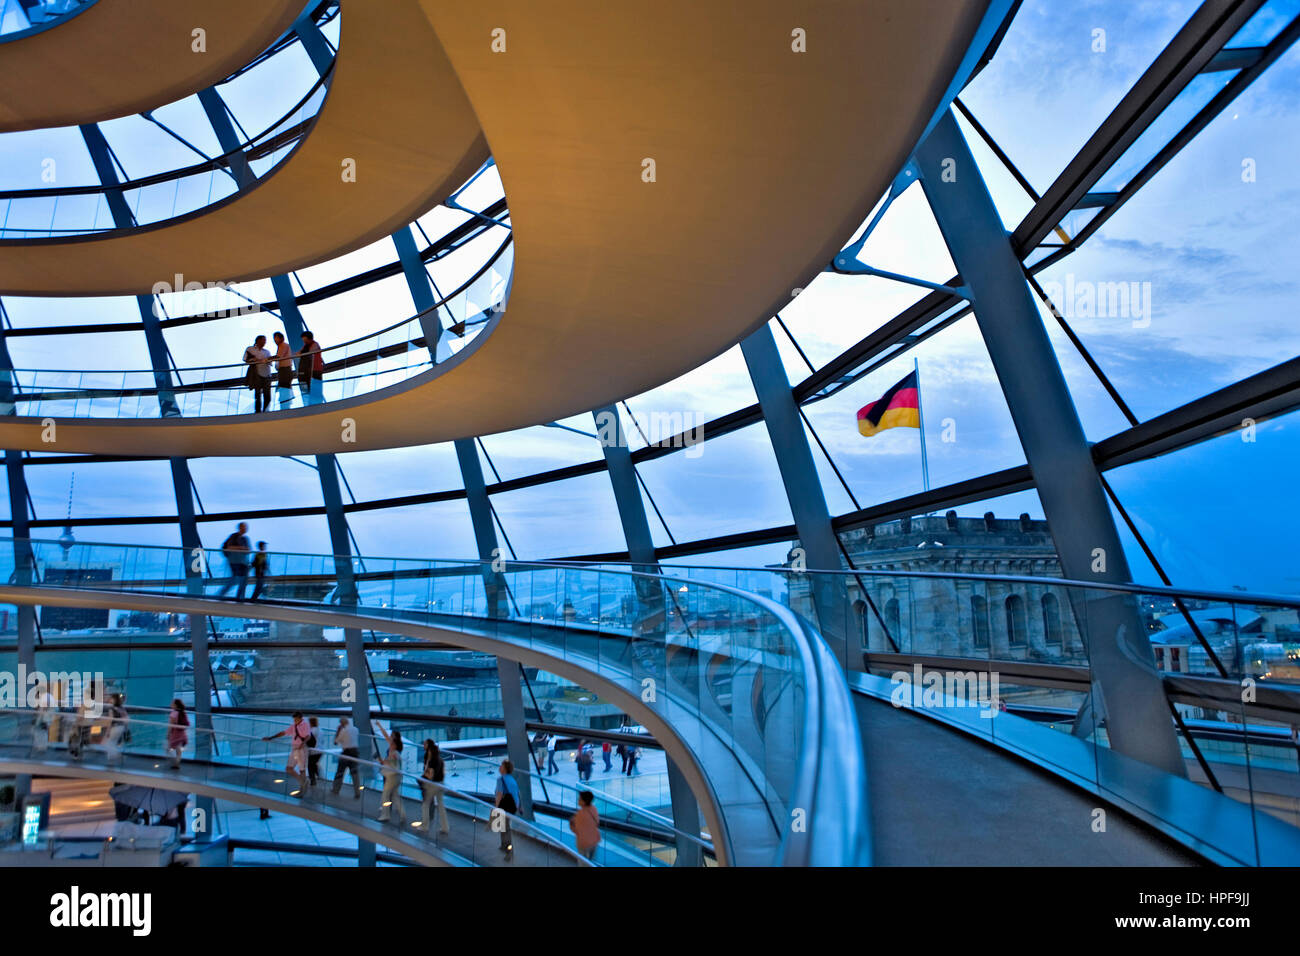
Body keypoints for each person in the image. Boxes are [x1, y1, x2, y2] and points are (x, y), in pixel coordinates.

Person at [263, 711, 312, 793]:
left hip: (301, 749)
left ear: (300, 718)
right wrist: (271, 738)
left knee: (302, 769)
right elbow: (283, 733)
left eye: (296, 719)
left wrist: (302, 744)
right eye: (294, 719)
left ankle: (302, 788)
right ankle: (303, 782)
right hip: (295, 748)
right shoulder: (294, 726)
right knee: (289, 769)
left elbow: (308, 736)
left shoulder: (305, 725)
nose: (294, 721)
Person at [375, 721, 406, 824]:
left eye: (392, 736)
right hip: (396, 777)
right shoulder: (395, 749)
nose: (390, 737)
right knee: (395, 796)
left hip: (392, 777)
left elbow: (390, 763)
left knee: (385, 795)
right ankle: (402, 815)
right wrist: (379, 726)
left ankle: (385, 815)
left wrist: (382, 761)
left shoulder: (394, 752)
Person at [420, 739, 449, 835]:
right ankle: (445, 827)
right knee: (441, 805)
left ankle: (425, 826)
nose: (423, 745)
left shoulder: (432, 760)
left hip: (433, 785)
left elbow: (430, 775)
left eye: (425, 744)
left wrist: (424, 776)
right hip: (440, 783)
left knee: (425, 804)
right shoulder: (438, 759)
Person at [217, 522, 252, 599]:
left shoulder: (245, 539)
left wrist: (244, 549)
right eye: (244, 527)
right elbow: (229, 547)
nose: (246, 528)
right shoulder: (234, 536)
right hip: (234, 561)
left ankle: (240, 598)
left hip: (243, 562)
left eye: (246, 527)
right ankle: (220, 594)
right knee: (235, 578)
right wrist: (241, 548)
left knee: (243, 580)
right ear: (240, 528)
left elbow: (249, 550)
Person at [493, 759, 520, 855]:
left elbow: (499, 794)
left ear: (504, 769)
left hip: (505, 806)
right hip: (513, 806)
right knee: (505, 825)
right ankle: (505, 845)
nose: (499, 767)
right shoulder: (512, 779)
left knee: (505, 826)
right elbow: (517, 793)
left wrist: (496, 808)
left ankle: (507, 847)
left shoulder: (500, 779)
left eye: (501, 766)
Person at [331, 716, 362, 797]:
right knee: (354, 773)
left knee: (340, 772)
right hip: (355, 753)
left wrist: (338, 731)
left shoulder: (343, 731)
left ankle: (336, 789)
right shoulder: (356, 729)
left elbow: (335, 742)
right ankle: (357, 792)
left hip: (346, 753)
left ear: (342, 723)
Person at [243, 334, 273, 413]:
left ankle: (266, 410)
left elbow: (270, 363)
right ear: (258, 340)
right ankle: (258, 411)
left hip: (267, 373)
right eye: (264, 340)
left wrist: (267, 360)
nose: (265, 342)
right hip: (257, 374)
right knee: (257, 393)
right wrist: (255, 360)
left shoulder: (267, 352)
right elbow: (245, 359)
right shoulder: (250, 349)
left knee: (267, 394)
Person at [569, 790, 600, 861]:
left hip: (584, 843)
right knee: (591, 862)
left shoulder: (580, 814)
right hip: (594, 841)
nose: (578, 800)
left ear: (584, 801)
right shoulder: (594, 809)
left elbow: (576, 830)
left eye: (579, 799)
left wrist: (571, 824)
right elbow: (597, 823)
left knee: (583, 862)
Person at [297, 331, 324, 404]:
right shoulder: (306, 346)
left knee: (316, 388)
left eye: (305, 340)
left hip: (315, 370)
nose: (304, 342)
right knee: (309, 388)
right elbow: (298, 353)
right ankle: (311, 403)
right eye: (303, 341)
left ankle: (318, 403)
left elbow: (309, 352)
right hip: (308, 371)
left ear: (310, 339)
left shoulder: (315, 344)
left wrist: (301, 353)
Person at [272, 331, 294, 405]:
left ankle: (285, 404)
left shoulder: (283, 345)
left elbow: (279, 357)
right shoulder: (281, 346)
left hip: (285, 370)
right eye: (274, 339)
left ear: (281, 338)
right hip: (284, 370)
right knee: (284, 387)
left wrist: (267, 359)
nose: (275, 341)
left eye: (276, 338)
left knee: (284, 387)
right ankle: (285, 403)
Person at [166, 699, 188, 769]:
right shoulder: (183, 712)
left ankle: (175, 763)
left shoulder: (173, 713)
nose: (171, 705)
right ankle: (177, 764)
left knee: (168, 749)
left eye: (172, 704)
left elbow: (170, 725)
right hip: (182, 733)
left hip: (175, 733)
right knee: (178, 750)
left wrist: (168, 734)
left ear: (176, 705)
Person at [305, 716, 324, 789]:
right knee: (314, 764)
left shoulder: (311, 730)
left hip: (313, 751)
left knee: (310, 766)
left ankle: (313, 781)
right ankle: (320, 777)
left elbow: (308, 740)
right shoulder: (321, 730)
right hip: (320, 750)